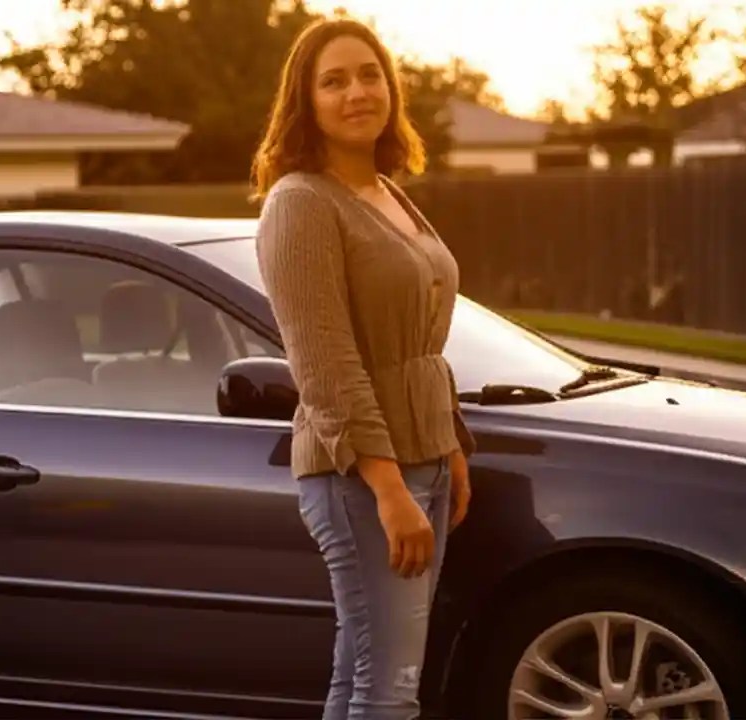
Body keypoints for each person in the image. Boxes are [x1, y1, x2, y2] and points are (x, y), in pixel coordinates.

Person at [250, 16, 477, 720]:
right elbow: (324, 363)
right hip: (360, 473)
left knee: (366, 677)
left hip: (423, 459)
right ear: (306, 101)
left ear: (391, 88)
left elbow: (419, 343)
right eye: (334, 80)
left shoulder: (386, 193)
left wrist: (450, 445)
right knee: (390, 691)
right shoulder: (301, 204)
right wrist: (389, 487)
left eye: (369, 74)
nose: (357, 92)